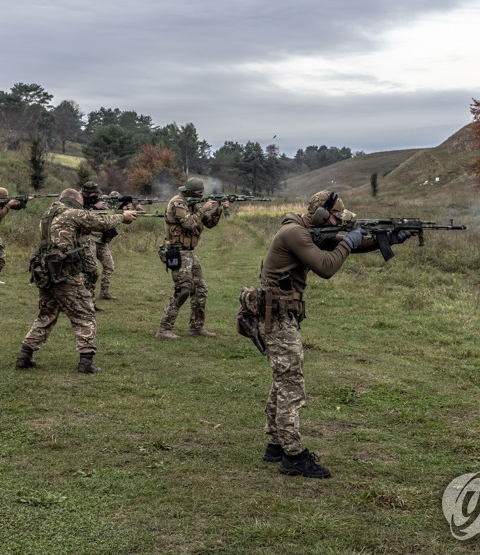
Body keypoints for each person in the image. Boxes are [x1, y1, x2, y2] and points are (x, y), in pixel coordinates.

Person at [257, 190, 411, 479]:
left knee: (283, 379)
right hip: (277, 313)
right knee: (291, 381)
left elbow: (343, 243)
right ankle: (293, 456)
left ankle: (276, 444)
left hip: (279, 311)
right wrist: (350, 241)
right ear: (318, 214)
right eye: (333, 217)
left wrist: (386, 240)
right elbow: (327, 266)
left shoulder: (304, 230)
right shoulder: (295, 234)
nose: (336, 222)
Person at [14, 188, 137, 373]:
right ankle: (86, 362)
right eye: (80, 201)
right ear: (73, 200)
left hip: (47, 272)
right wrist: (122, 216)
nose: (82, 204)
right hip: (65, 273)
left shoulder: (49, 214)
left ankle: (24, 357)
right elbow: (100, 222)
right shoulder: (71, 214)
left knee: (46, 315)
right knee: (85, 315)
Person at [157, 177, 228, 340]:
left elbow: (209, 223)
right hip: (176, 250)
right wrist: (203, 209)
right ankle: (164, 329)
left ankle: (197, 327)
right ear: (190, 192)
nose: (201, 196)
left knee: (200, 290)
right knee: (183, 290)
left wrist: (218, 209)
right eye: (199, 194)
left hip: (189, 252)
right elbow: (188, 224)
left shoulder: (193, 204)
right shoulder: (178, 203)